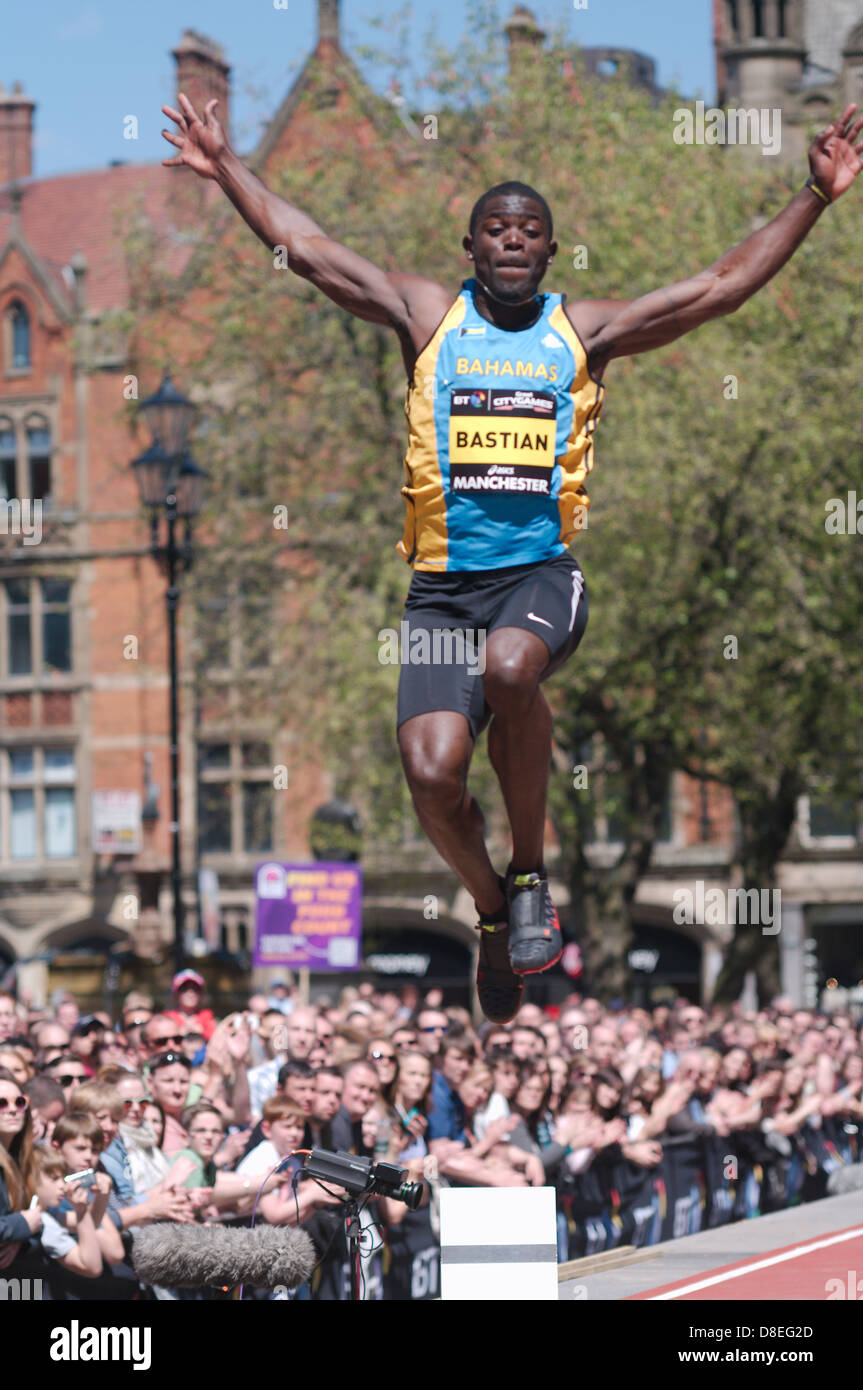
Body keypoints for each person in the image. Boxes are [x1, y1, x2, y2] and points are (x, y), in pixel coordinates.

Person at [162, 91, 863, 1024]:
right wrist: (227, 170)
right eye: (494, 228)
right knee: (430, 770)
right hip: (441, 592)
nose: (511, 240)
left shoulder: (586, 333)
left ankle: (529, 871)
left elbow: (717, 285)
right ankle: (492, 908)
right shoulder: (423, 317)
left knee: (509, 667)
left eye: (528, 230)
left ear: (548, 251)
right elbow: (316, 249)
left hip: (538, 577)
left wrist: (812, 197)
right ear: (470, 249)